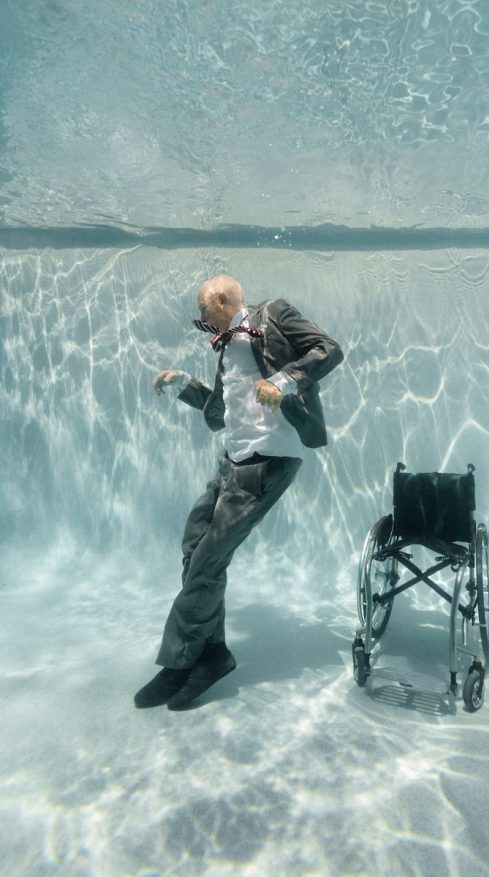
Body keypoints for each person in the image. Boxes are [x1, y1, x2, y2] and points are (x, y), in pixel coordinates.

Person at [135, 274, 344, 710]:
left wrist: (285, 382)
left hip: (269, 461)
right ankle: (211, 653)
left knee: (209, 561)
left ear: (221, 298)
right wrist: (181, 384)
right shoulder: (226, 346)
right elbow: (222, 409)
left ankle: (180, 663)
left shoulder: (274, 313)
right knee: (195, 549)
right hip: (231, 460)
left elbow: (329, 349)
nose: (201, 316)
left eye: (203, 307)